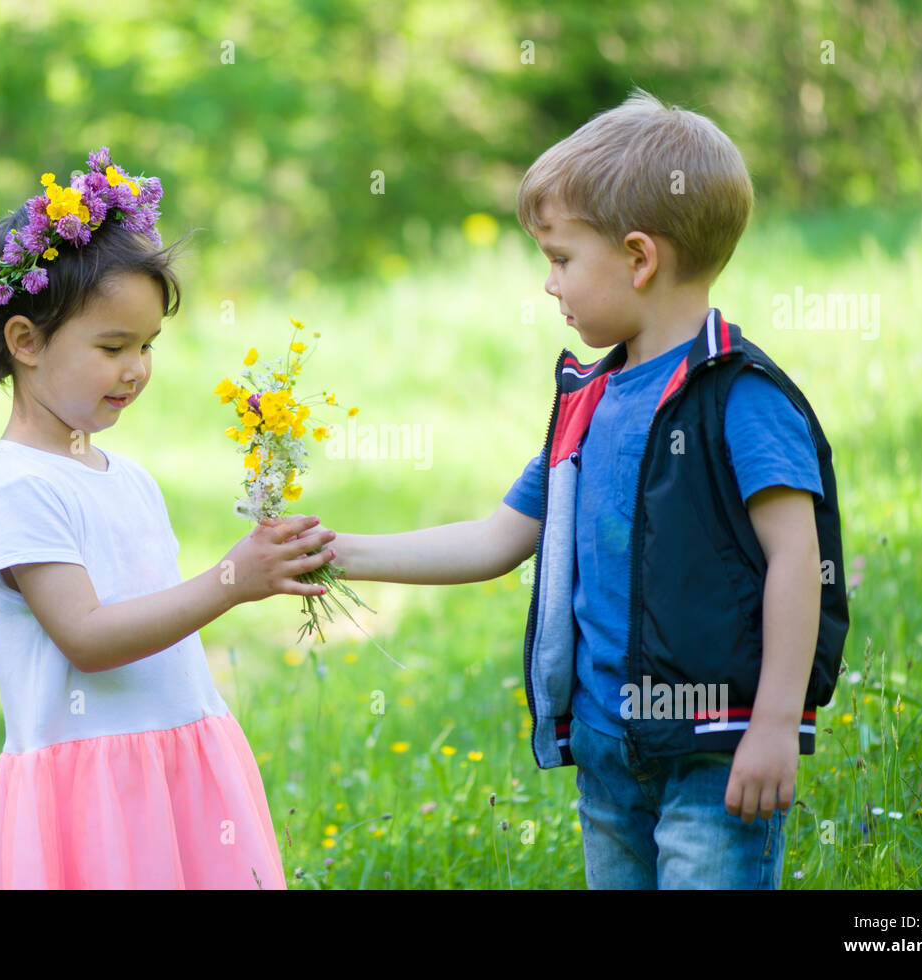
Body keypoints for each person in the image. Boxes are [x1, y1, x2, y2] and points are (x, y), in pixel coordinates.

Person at [327, 90, 849, 888]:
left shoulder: (741, 399)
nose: (549, 285)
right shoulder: (588, 403)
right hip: (607, 754)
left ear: (640, 258)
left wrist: (777, 724)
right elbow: (495, 538)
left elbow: (796, 559)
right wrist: (336, 553)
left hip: (718, 749)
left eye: (561, 259)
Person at [0, 147, 337, 888]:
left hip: (181, 756)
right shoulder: (19, 486)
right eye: (112, 346)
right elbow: (88, 640)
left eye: (148, 346)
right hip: (92, 787)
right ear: (24, 341)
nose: (136, 369)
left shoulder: (128, 479)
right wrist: (232, 580)